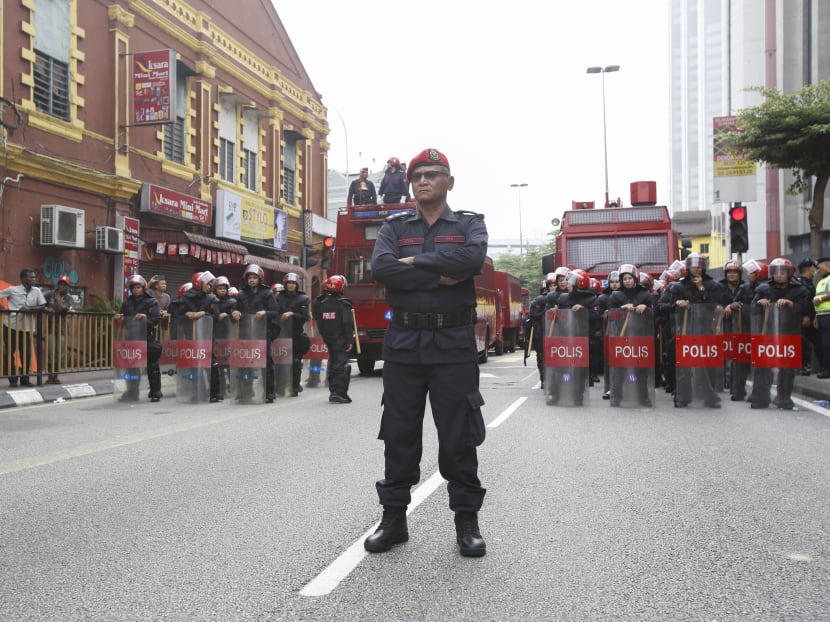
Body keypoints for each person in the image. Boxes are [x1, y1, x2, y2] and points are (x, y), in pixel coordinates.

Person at [365, 147, 487, 558]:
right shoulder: (395, 226)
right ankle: (393, 520)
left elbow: (472, 258)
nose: (422, 181)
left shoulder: (469, 224)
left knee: (458, 436)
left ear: (449, 181)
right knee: (398, 434)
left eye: (432, 174)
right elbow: (382, 269)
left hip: (453, 344)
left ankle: (466, 522)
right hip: (404, 344)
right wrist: (441, 273)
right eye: (417, 176)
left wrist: (415, 263)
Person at [749, 258, 810, 409]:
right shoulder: (763, 289)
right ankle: (761, 398)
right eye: (775, 272)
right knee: (763, 365)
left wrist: (791, 304)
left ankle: (784, 398)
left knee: (787, 367)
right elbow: (752, 308)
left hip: (789, 333)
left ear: (789, 273)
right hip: (767, 333)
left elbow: (805, 309)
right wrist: (760, 303)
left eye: (782, 272)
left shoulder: (800, 290)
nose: (779, 275)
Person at [231, 264, 280, 402]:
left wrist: (265, 312)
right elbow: (234, 309)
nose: (251, 280)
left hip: (263, 333)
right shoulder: (241, 294)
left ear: (260, 279)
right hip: (245, 333)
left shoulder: (267, 293)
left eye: (254, 277)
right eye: (249, 278)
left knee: (266, 361)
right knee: (245, 361)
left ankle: (269, 393)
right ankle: (245, 391)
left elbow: (276, 312)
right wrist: (234, 312)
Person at [115, 274, 162, 402]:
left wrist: (145, 318)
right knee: (131, 367)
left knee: (152, 365)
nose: (136, 290)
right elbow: (122, 318)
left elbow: (156, 319)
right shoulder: (127, 303)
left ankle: (155, 392)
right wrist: (118, 318)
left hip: (147, 337)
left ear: (143, 288)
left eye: (138, 287)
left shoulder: (152, 302)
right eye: (133, 288)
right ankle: (132, 392)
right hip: (132, 338)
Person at [0, 268, 47, 387]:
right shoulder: (12, 290)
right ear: (23, 279)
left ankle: (25, 379)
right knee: (8, 353)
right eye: (31, 277)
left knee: (26, 354)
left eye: (34, 277)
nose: (34, 279)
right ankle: (12, 379)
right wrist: (2, 308)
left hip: (26, 328)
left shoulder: (36, 291)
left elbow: (42, 306)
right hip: (10, 326)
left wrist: (29, 309)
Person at [313, 275, 355, 404]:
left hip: (329, 339)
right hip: (341, 339)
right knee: (342, 366)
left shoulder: (322, 304)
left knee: (332, 363)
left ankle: (333, 392)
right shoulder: (343, 304)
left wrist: (326, 337)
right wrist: (349, 340)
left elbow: (319, 323)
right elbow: (347, 323)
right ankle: (339, 393)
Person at [275, 272, 311, 397]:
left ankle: (295, 385)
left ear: (297, 285)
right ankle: (280, 384)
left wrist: (292, 314)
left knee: (295, 361)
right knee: (279, 359)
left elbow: (304, 317)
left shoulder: (303, 298)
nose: (291, 285)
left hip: (296, 333)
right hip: (280, 333)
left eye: (293, 283)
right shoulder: (278, 297)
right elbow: (274, 312)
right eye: (289, 283)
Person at [44, 275, 73, 384]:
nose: (62, 286)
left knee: (60, 353)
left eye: (65, 285)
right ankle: (50, 376)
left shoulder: (69, 298)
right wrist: (47, 309)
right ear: (58, 284)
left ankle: (56, 376)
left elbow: (62, 309)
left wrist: (58, 296)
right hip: (50, 327)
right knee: (50, 352)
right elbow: (41, 304)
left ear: (68, 287)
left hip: (62, 329)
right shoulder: (48, 294)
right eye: (61, 284)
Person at [795, 258, 822, 375]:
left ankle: (818, 367)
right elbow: (802, 302)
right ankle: (803, 366)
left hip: (812, 318)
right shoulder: (799, 283)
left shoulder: (809, 283)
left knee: (817, 342)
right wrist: (804, 316)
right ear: (810, 269)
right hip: (804, 319)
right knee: (803, 343)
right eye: (814, 268)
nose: (815, 270)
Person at [812, 256, 830, 379]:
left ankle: (827, 370)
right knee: (825, 345)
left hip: (828, 315)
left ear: (827, 265)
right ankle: (826, 369)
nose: (818, 271)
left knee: (827, 345)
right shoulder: (820, 282)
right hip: (821, 316)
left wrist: (821, 299)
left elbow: (820, 299)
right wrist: (815, 317)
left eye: (819, 268)